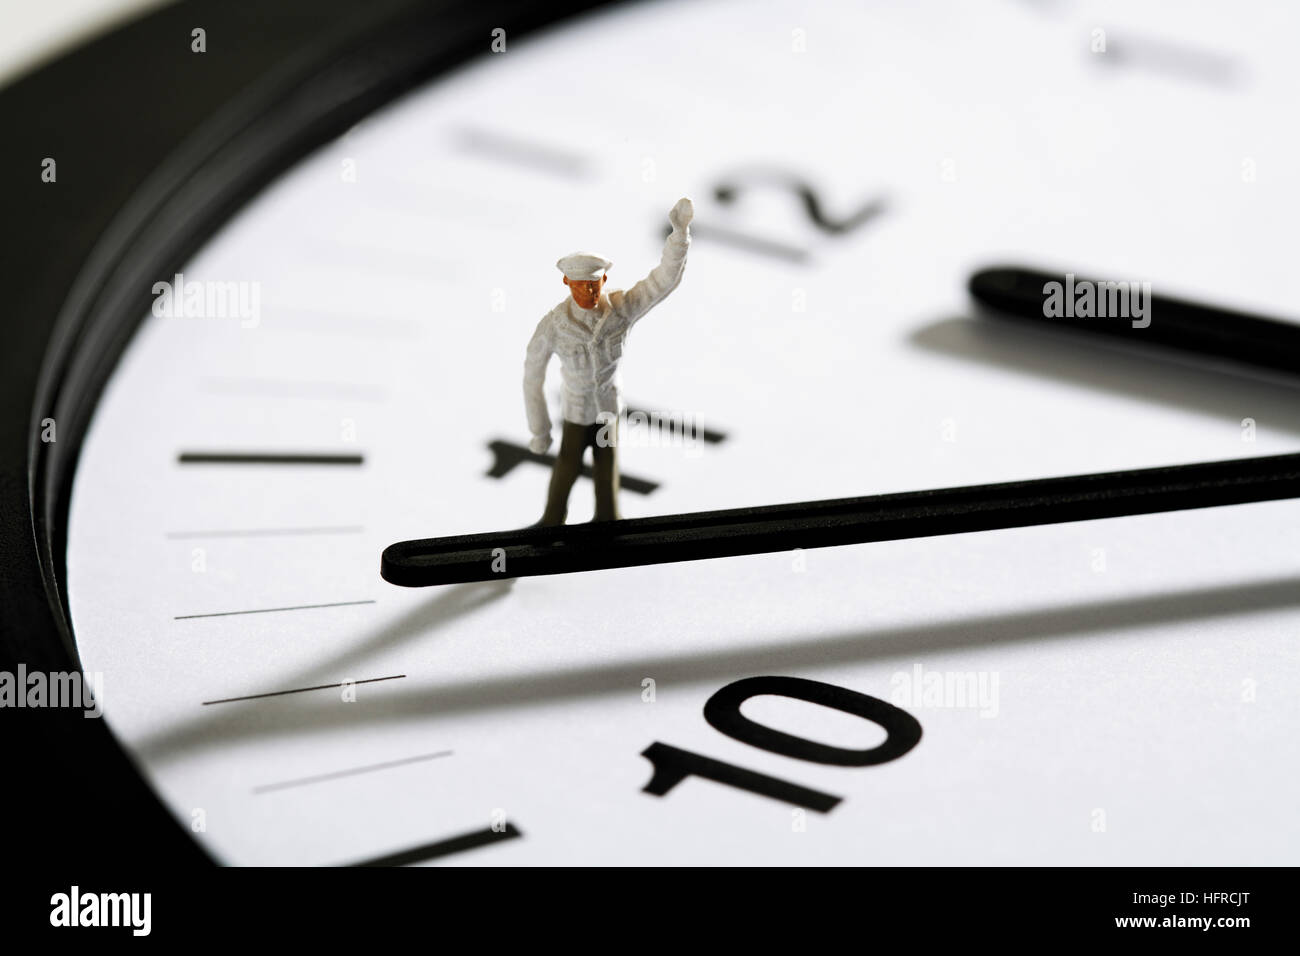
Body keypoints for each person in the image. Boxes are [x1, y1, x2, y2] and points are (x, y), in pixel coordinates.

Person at [523, 197, 694, 525]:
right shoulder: (554, 326)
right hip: (575, 413)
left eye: (593, 285)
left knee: (607, 465)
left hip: (606, 410)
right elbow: (533, 375)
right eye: (580, 286)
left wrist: (679, 235)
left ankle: (608, 518)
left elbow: (661, 282)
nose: (587, 292)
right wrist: (540, 428)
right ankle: (551, 521)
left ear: (603, 282)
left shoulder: (620, 310)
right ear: (567, 284)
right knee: (567, 466)